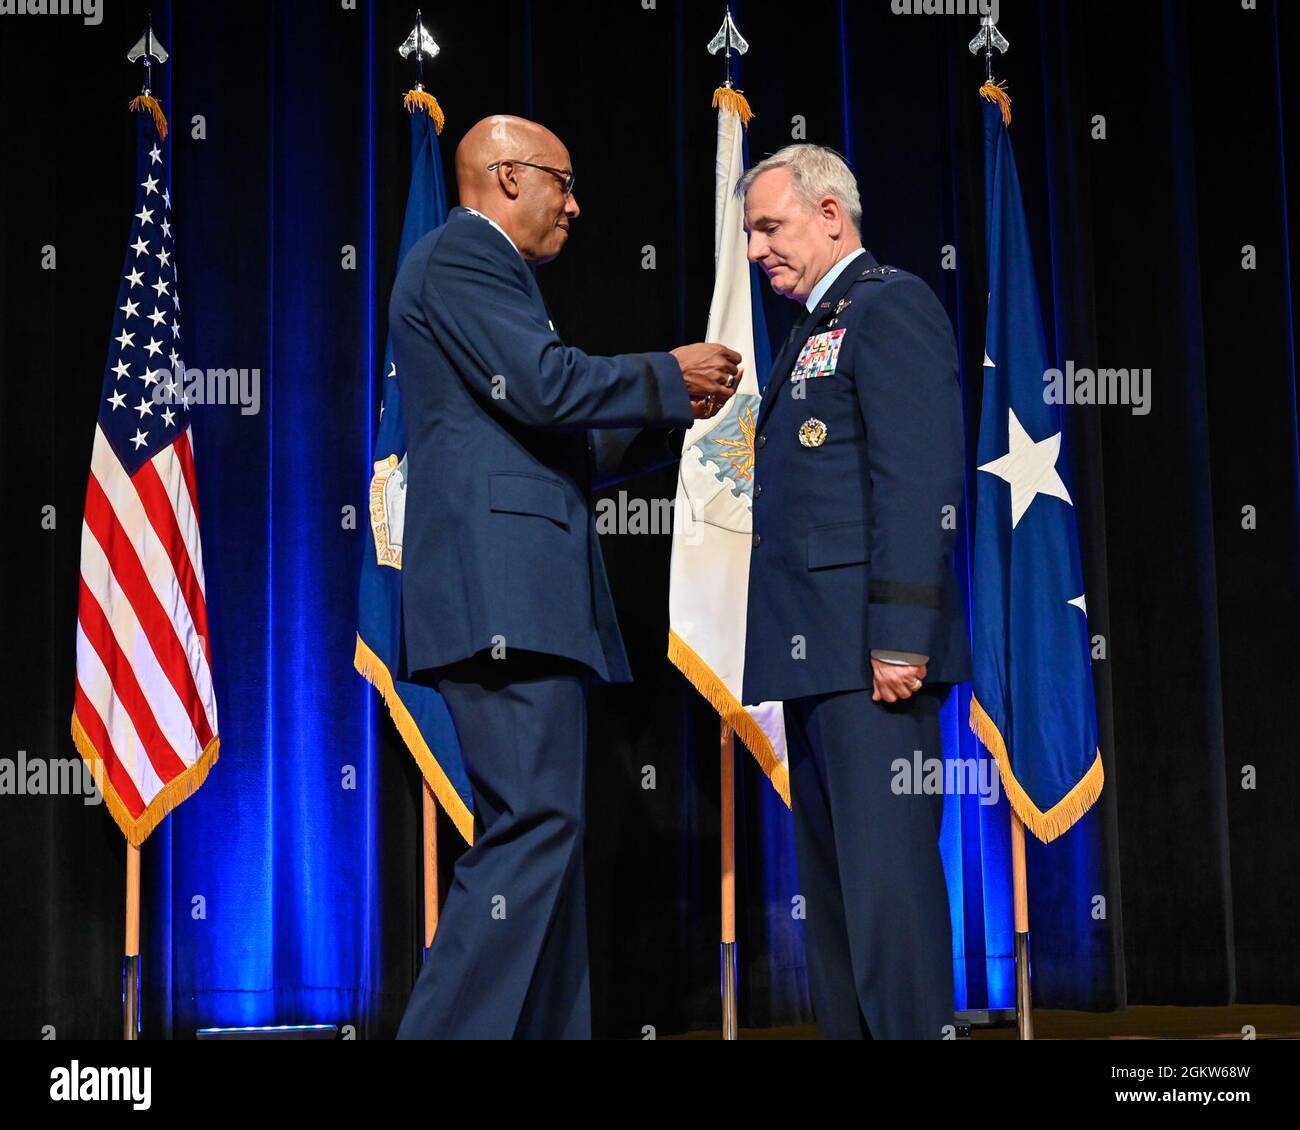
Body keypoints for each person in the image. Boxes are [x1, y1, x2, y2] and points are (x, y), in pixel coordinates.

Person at [391, 114, 740, 1039]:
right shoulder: (462, 257)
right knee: (534, 829)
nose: (575, 205)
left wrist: (675, 416)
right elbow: (546, 387)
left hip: (520, 597)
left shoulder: (488, 277)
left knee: (548, 836)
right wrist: (666, 372)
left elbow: (543, 434)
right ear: (508, 177)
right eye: (564, 182)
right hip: (500, 598)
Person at [738, 144, 972, 1039]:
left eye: (771, 226)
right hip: (818, 655)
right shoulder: (812, 328)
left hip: (875, 655)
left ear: (830, 215)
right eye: (752, 232)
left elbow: (916, 481)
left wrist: (903, 633)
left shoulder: (891, 305)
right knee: (835, 905)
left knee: (889, 899)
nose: (758, 248)